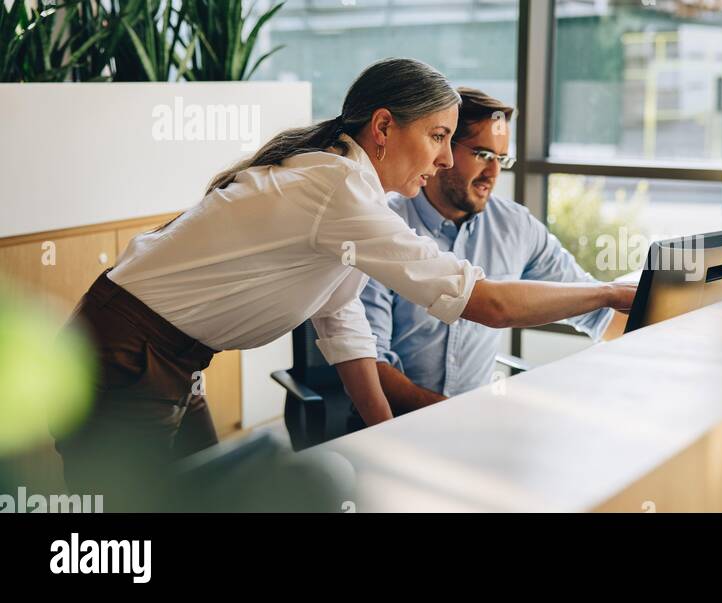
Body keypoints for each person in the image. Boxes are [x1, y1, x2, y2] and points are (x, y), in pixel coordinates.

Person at [56, 58, 635, 501]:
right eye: (438, 137)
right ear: (383, 127)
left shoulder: (344, 192)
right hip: (127, 350)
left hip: (170, 356)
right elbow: (484, 303)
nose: (442, 161)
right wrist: (610, 292)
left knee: (202, 500)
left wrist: (384, 439)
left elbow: (342, 326)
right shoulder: (339, 190)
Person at [361, 87, 619, 414]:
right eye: (482, 154)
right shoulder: (384, 227)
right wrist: (454, 417)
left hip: (477, 425)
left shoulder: (515, 227)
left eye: (501, 158)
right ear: (443, 148)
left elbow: (595, 310)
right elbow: (372, 366)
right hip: (393, 424)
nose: (494, 173)